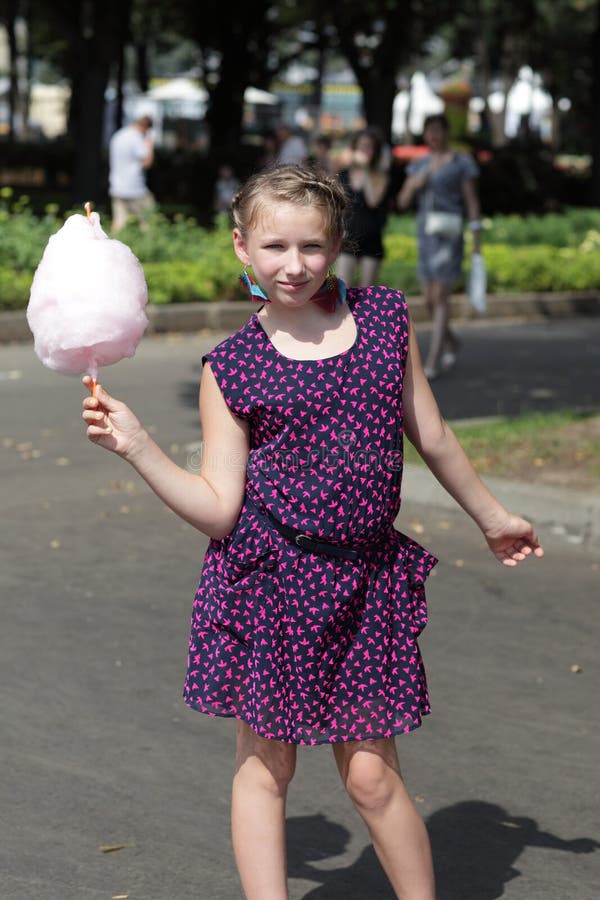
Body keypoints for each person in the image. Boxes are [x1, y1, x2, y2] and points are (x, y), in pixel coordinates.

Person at [81, 164, 543, 900]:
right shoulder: (233, 366)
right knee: (268, 765)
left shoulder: (387, 319)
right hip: (272, 585)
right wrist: (137, 445)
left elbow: (433, 434)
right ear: (242, 248)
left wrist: (492, 516)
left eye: (312, 247)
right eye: (274, 247)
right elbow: (217, 509)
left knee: (371, 775)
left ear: (337, 245)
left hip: (362, 581)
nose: (293, 265)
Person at [397, 112, 482, 380]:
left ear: (446, 132)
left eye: (437, 129)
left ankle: (431, 359)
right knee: (429, 299)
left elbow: (472, 201)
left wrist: (477, 238)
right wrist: (415, 185)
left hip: (450, 234)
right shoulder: (419, 165)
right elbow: (402, 202)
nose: (433, 135)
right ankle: (451, 340)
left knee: (441, 296)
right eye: (429, 130)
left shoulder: (461, 162)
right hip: (426, 235)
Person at [335, 128, 390, 287]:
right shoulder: (344, 174)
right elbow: (337, 206)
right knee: (342, 290)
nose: (364, 151)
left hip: (371, 238)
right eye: (360, 146)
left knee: (367, 294)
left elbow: (373, 200)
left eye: (368, 146)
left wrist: (366, 170)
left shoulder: (380, 175)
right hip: (348, 237)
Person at [108, 114, 155, 233]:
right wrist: (149, 145)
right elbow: (147, 162)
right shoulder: (136, 138)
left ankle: (112, 247)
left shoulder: (119, 135)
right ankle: (149, 248)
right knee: (148, 221)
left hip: (117, 185)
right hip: (135, 187)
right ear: (146, 128)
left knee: (118, 224)